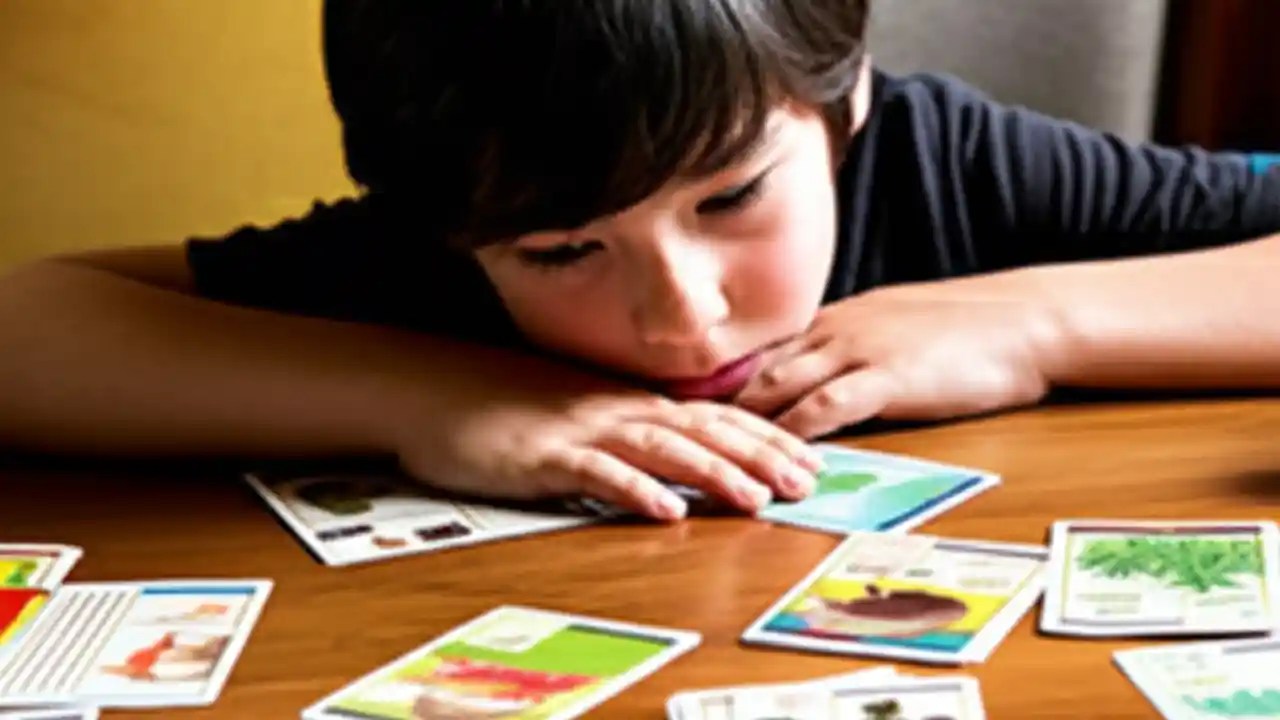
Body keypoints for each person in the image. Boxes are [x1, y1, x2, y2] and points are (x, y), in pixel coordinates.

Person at [2, 0, 1278, 523]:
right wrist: (431, 400)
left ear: (839, 110)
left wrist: (1036, 324)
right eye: (563, 251)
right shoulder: (432, 246)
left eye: (729, 198)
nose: (680, 315)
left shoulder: (943, 158)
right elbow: (28, 321)